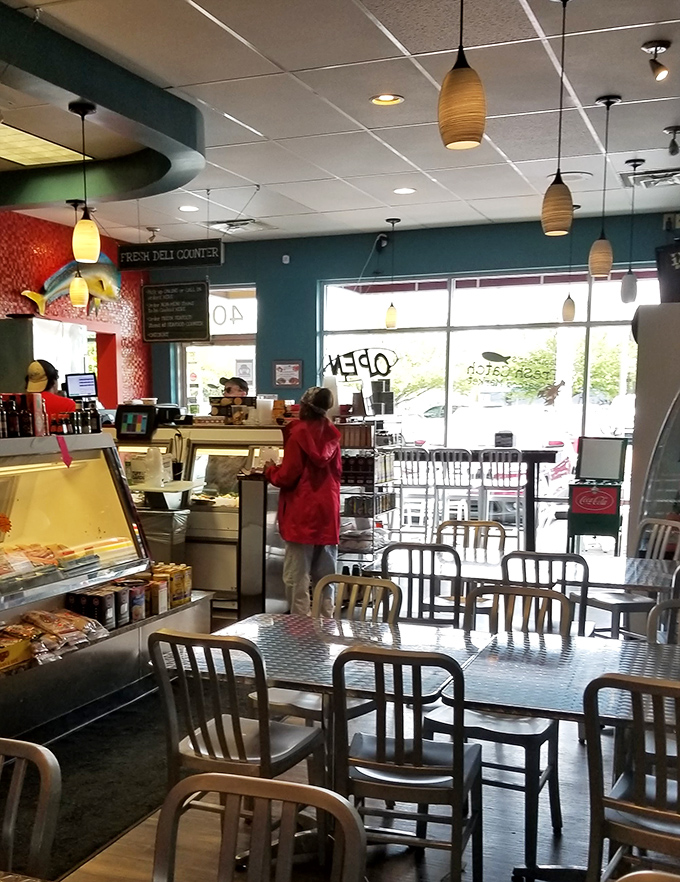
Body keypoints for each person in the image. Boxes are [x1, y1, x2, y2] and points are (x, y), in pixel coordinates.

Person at [265, 386, 341, 616]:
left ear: (304, 406)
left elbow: (288, 476)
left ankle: (300, 630)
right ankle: (326, 623)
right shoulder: (332, 434)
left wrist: (270, 471)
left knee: (296, 576)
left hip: (301, 510)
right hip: (327, 509)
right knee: (326, 575)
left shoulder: (298, 433)